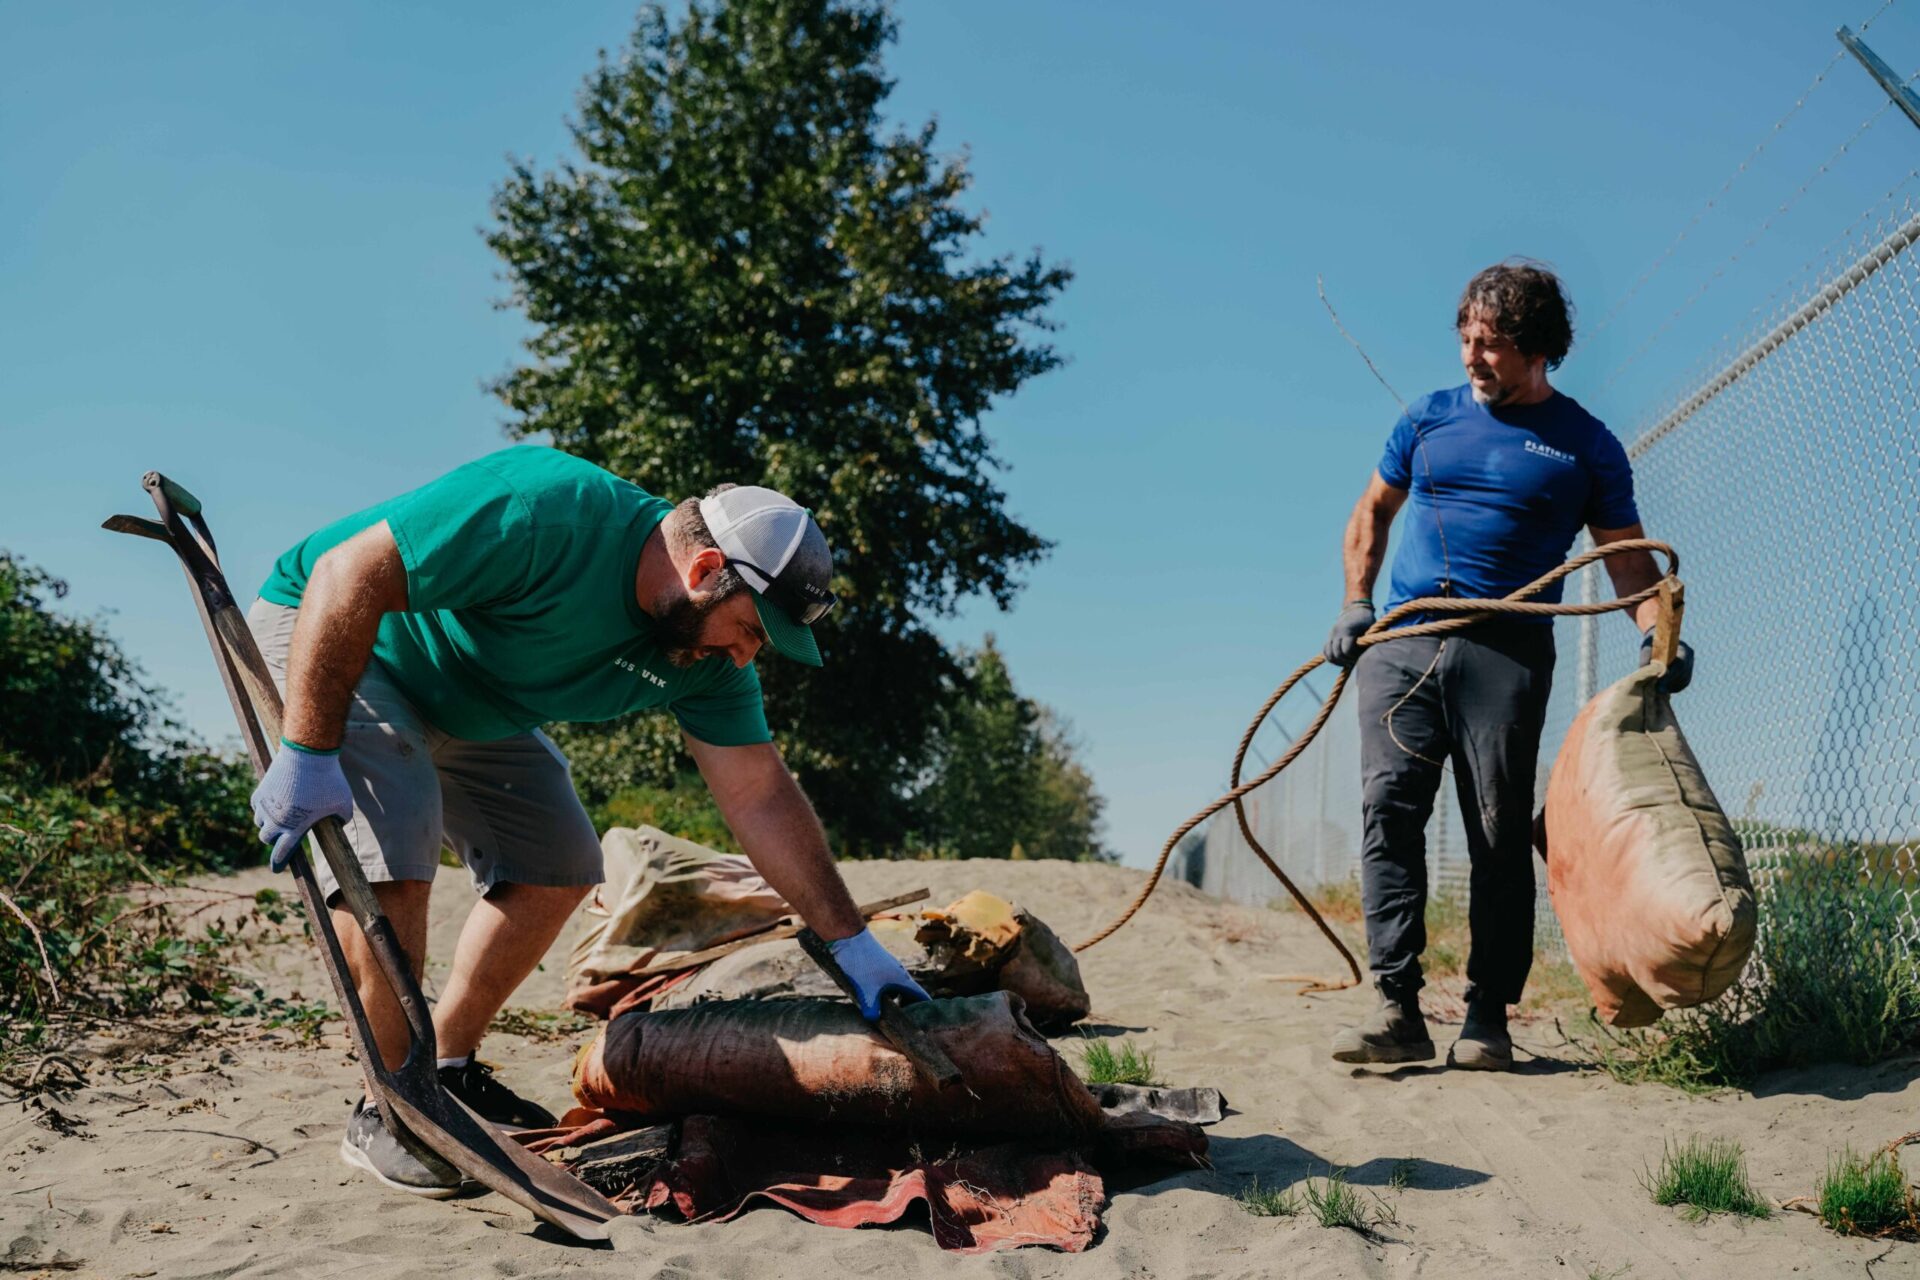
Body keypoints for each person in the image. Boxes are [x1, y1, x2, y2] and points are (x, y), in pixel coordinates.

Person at [245, 445, 928, 1195]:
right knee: (395, 848)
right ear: (703, 572)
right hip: (341, 631)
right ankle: (395, 1109)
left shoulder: (699, 658)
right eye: (750, 629)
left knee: (558, 859)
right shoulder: (548, 509)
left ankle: (444, 1066)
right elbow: (349, 571)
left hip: (472, 699)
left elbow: (759, 792)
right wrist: (308, 750)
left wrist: (851, 942)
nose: (743, 658)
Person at [1320, 260, 1693, 1072]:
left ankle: (1488, 1013)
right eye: (1464, 339)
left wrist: (1658, 637)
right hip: (1406, 640)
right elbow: (1371, 512)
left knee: (1497, 830)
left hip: (1507, 651)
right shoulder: (1426, 420)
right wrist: (1356, 601)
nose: (1471, 357)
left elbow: (1628, 562)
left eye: (1490, 344)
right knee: (1389, 813)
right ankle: (1396, 1008)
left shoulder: (1587, 447)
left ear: (1537, 351)